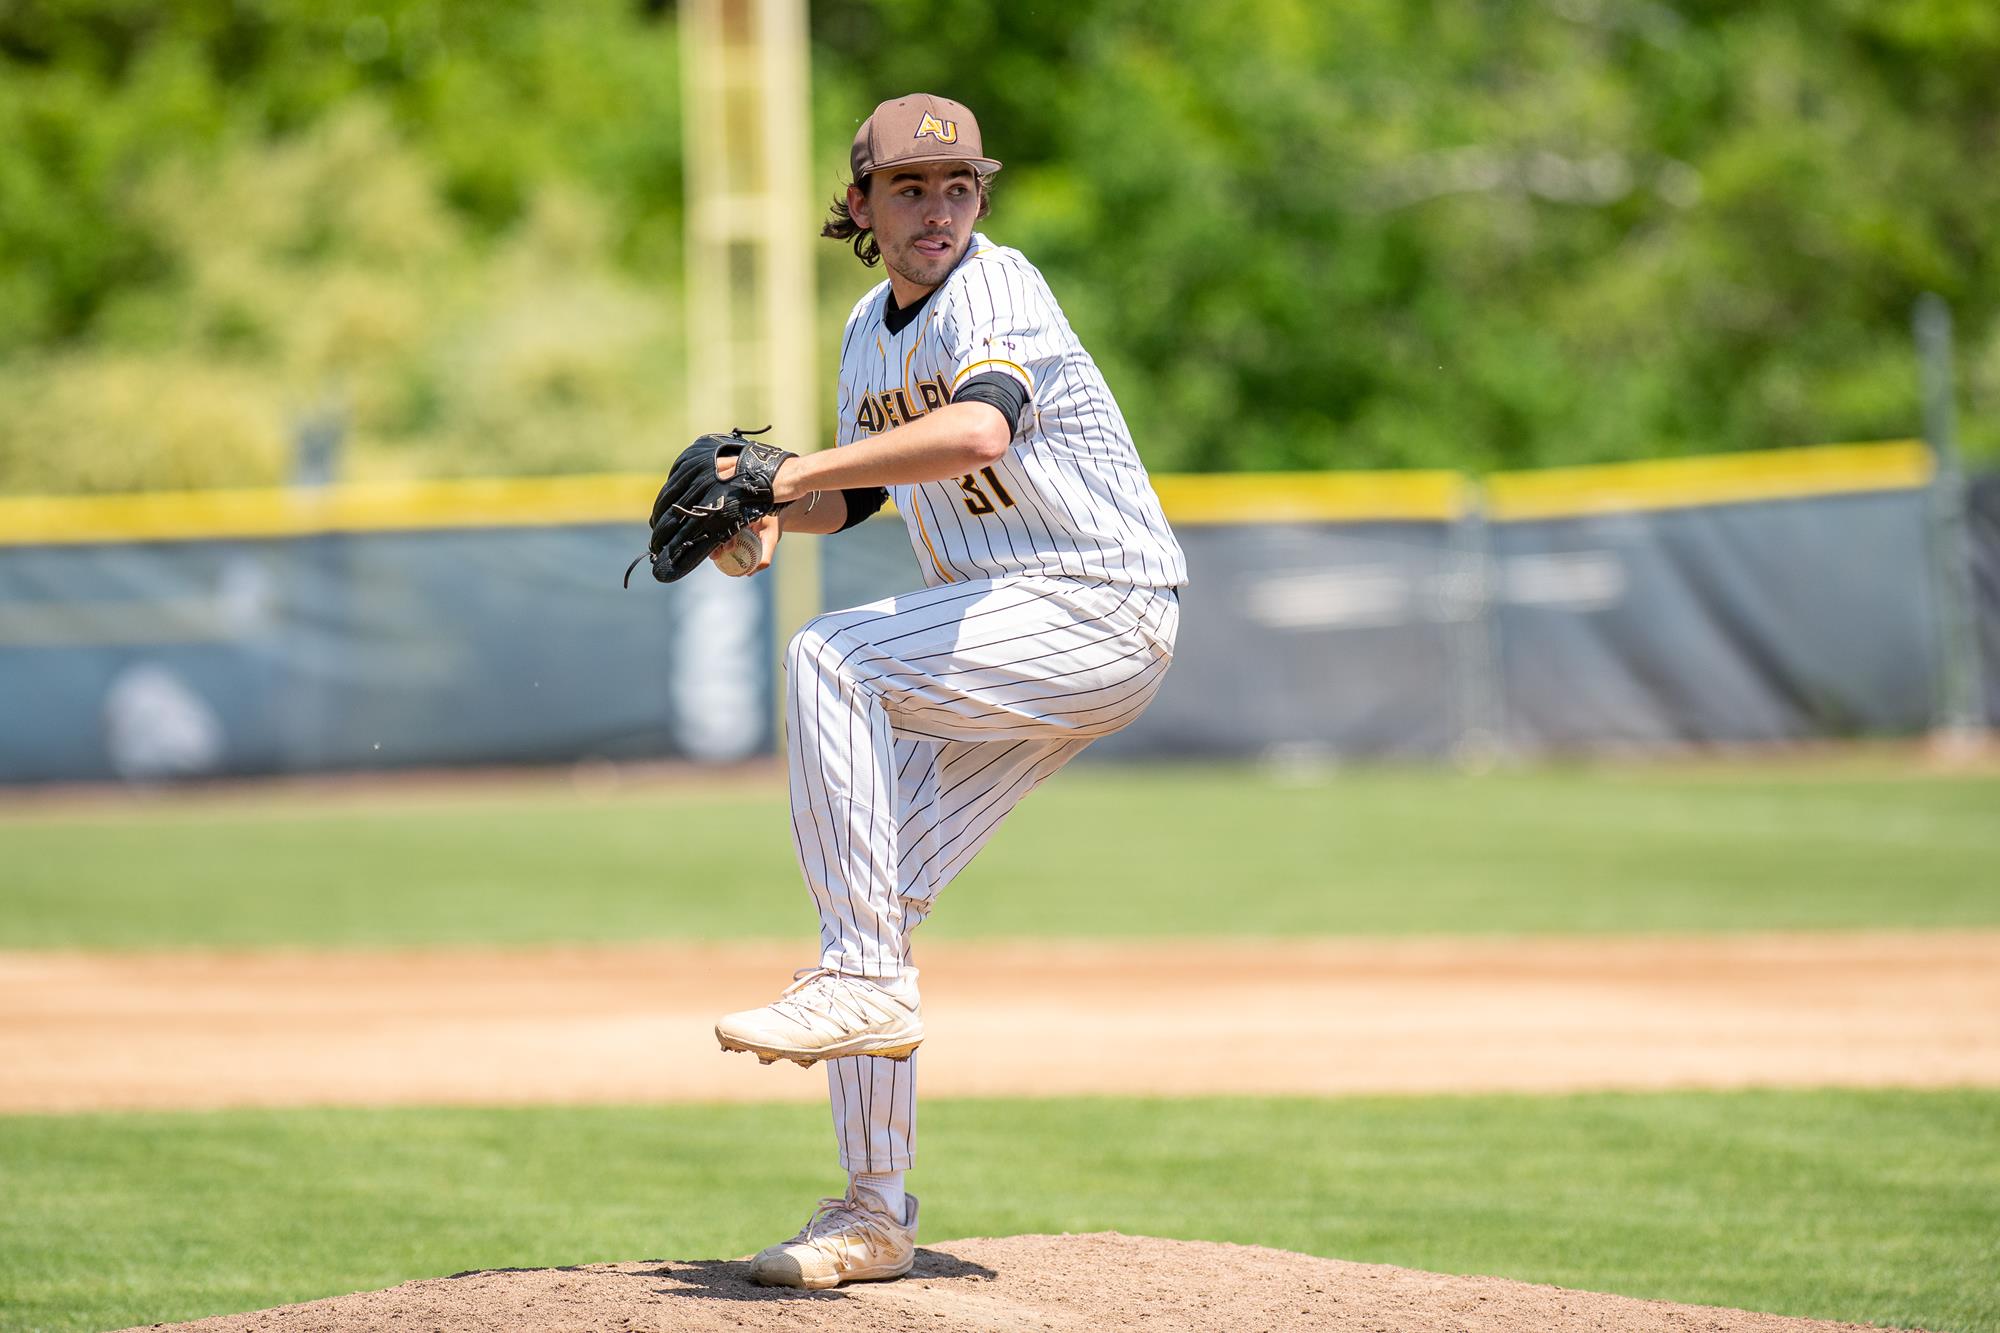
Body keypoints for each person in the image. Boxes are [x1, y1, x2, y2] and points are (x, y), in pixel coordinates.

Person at [708, 92, 1186, 1290]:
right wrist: (768, 512)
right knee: (876, 895)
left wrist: (790, 472)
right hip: (1002, 633)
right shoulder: (870, 329)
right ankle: (873, 1211)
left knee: (833, 655)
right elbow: (862, 495)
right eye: (911, 189)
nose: (939, 208)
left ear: (982, 196)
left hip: (1094, 600)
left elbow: (975, 433)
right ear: (859, 204)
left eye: (959, 186)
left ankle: (859, 982)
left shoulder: (996, 287)